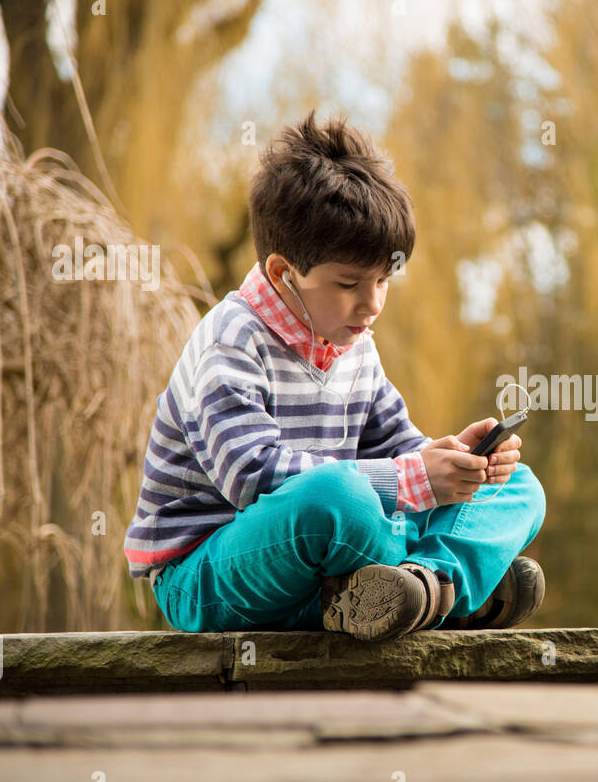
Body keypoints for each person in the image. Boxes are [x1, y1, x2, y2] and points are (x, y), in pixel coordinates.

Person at [122, 112, 546, 641]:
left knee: (518, 489)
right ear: (284, 273)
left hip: (332, 549)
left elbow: (397, 447)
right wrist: (414, 479)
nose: (371, 304)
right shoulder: (230, 342)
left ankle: (422, 586)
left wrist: (458, 462)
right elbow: (252, 478)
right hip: (210, 571)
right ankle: (456, 591)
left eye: (383, 281)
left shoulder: (353, 344)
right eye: (349, 283)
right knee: (337, 500)